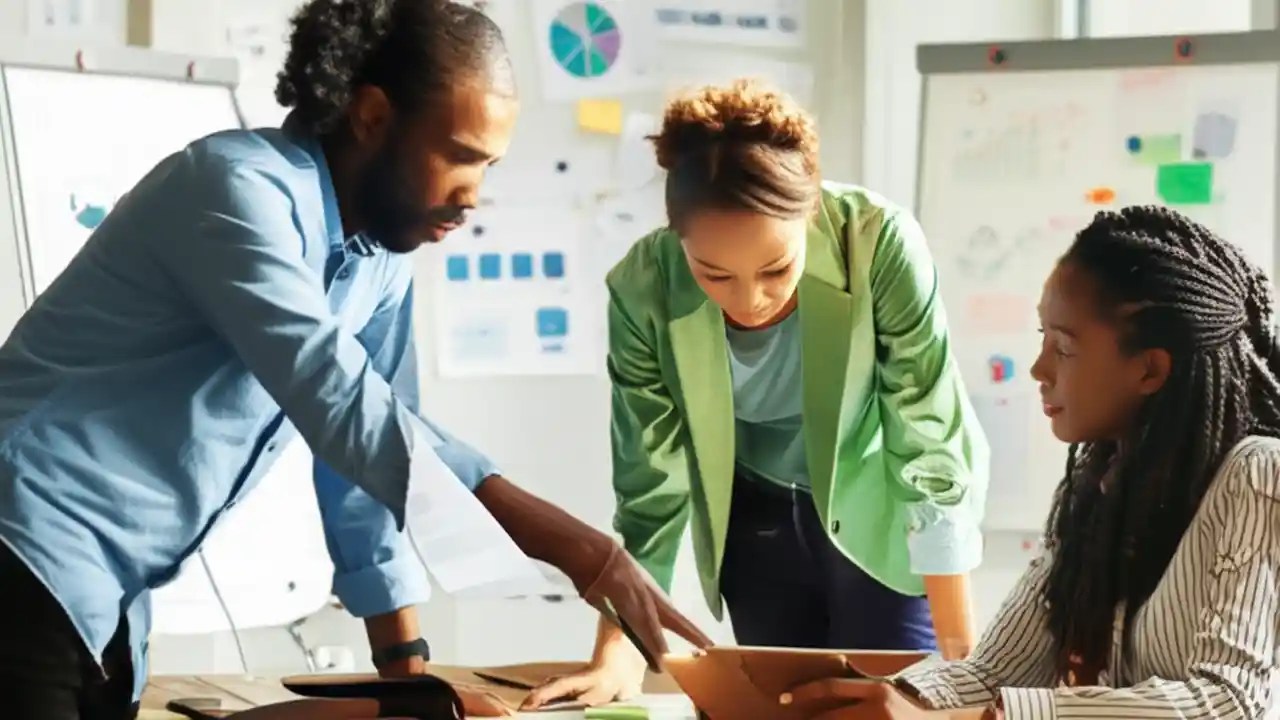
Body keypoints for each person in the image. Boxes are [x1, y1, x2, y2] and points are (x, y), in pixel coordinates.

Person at [0, 1, 708, 718]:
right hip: (26, 542)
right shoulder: (233, 190)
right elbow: (342, 402)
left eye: (489, 165)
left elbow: (369, 462)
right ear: (372, 117)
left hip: (105, 592)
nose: (474, 195)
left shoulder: (379, 261)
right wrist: (582, 551)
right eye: (460, 156)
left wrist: (404, 675)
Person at [523, 79, 988, 709]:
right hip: (756, 522)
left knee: (902, 706)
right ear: (676, 238)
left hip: (884, 508)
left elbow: (927, 440)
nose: (749, 301)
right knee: (776, 711)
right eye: (713, 273)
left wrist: (962, 658)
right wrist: (617, 655)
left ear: (811, 214)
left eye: (775, 270)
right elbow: (649, 490)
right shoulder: (643, 289)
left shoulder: (878, 245)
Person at [781, 205, 1280, 719]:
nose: (1040, 369)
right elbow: (992, 673)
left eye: (1063, 348)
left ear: (1150, 369)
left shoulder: (1257, 474)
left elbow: (1228, 702)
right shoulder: (1090, 494)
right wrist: (881, 698)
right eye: (1043, 338)